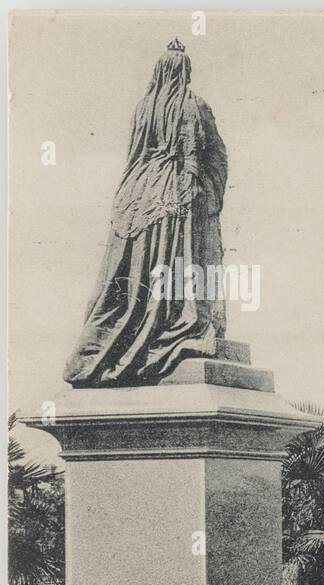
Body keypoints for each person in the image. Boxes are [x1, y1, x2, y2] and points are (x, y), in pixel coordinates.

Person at [64, 38, 228, 387]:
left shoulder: (142, 108)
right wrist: (208, 191)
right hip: (176, 193)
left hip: (136, 195)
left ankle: (124, 338)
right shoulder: (194, 105)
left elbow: (133, 155)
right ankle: (170, 323)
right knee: (178, 267)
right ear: (185, 72)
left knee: (134, 272)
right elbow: (209, 156)